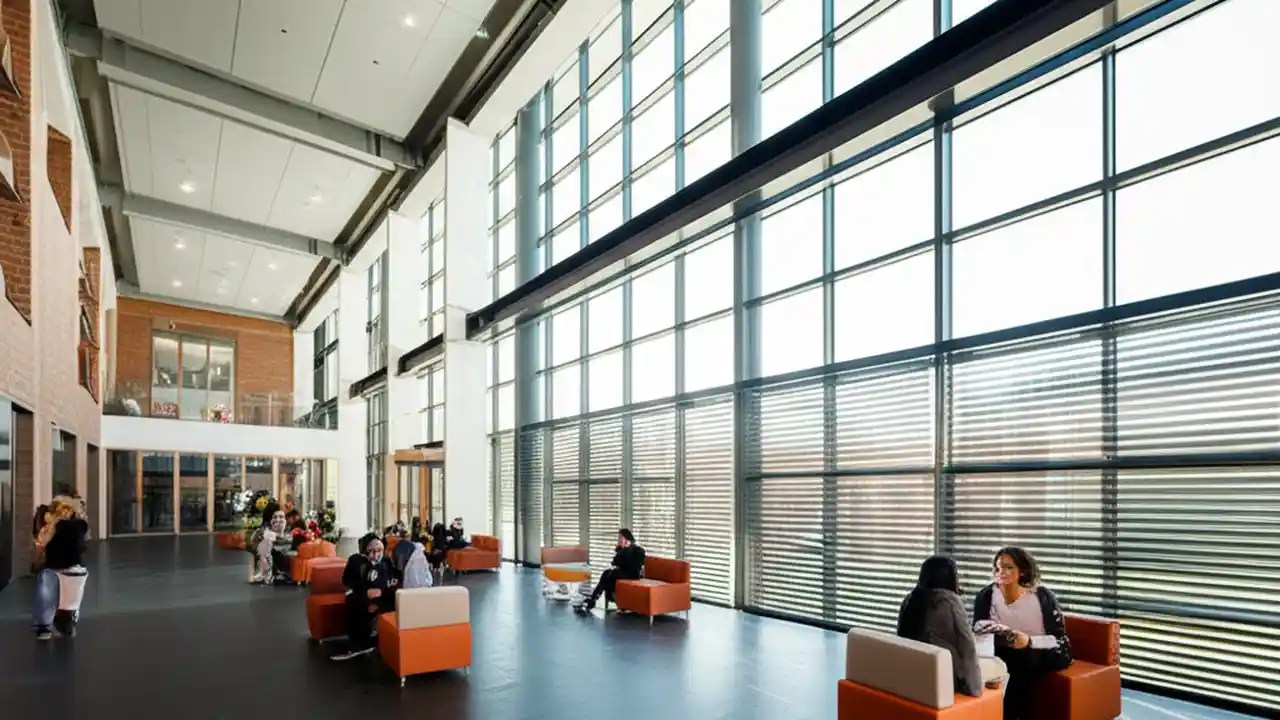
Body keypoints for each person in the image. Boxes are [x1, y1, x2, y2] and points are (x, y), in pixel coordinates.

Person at [973, 547, 1073, 720]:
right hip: (1002, 650)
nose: (1002, 572)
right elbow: (979, 629)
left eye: (1008, 568)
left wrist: (1029, 641)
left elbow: (1059, 641)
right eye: (998, 568)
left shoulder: (1041, 597)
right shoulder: (987, 595)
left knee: (1020, 659)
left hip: (1043, 651)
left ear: (1022, 571)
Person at [897, 556, 1006, 697]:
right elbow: (966, 646)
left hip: (916, 674)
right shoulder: (949, 601)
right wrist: (975, 689)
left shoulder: (911, 599)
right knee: (1000, 671)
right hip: (945, 677)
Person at [332, 533, 399, 661]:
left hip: (383, 596)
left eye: (379, 550)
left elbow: (394, 581)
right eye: (371, 550)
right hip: (362, 595)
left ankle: (380, 639)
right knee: (352, 601)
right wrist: (365, 592)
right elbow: (347, 582)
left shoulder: (387, 562)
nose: (376, 554)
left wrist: (381, 592)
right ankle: (359, 644)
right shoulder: (356, 561)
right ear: (364, 550)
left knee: (393, 599)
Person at [32, 497, 90, 639]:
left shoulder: (53, 526)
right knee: (71, 599)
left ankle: (44, 627)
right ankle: (68, 620)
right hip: (76, 569)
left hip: (54, 567)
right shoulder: (81, 525)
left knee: (46, 595)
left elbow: (41, 544)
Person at [577, 529, 645, 614]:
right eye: (618, 537)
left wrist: (620, 550)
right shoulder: (626, 549)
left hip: (631, 575)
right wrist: (620, 550)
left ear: (627, 539)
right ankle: (594, 599)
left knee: (607, 575)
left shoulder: (635, 550)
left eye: (620, 537)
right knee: (607, 575)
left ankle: (593, 599)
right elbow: (615, 562)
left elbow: (618, 562)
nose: (618, 540)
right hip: (624, 574)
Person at [251, 505, 293, 584]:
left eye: (281, 516)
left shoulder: (287, 531)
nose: (278, 519)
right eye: (275, 517)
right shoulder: (263, 531)